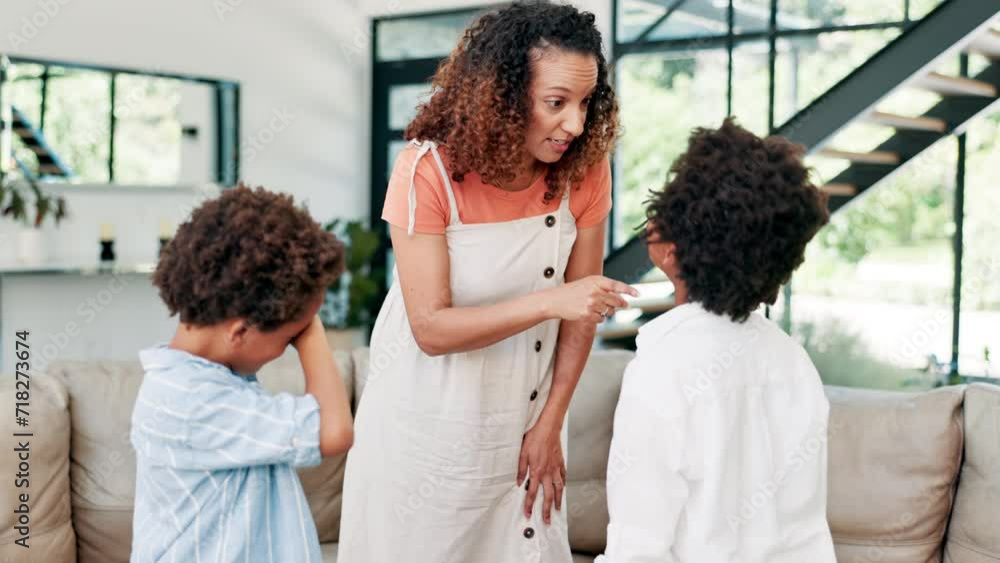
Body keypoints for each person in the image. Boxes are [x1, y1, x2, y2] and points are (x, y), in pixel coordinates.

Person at [338, 3, 636, 562]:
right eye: (555, 103)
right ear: (502, 94)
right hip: (424, 425)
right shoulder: (427, 171)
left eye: (585, 102)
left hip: (528, 422)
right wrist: (553, 300)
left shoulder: (585, 168)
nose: (574, 123)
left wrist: (550, 424)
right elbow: (430, 328)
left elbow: (582, 311)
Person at [598, 118, 837, 563]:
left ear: (678, 246)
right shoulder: (794, 362)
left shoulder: (662, 370)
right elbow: (802, 529)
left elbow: (637, 549)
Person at [130, 185, 354, 562]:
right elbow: (335, 431)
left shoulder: (210, 379)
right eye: (292, 336)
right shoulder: (190, 401)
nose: (294, 343)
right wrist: (313, 331)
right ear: (239, 332)